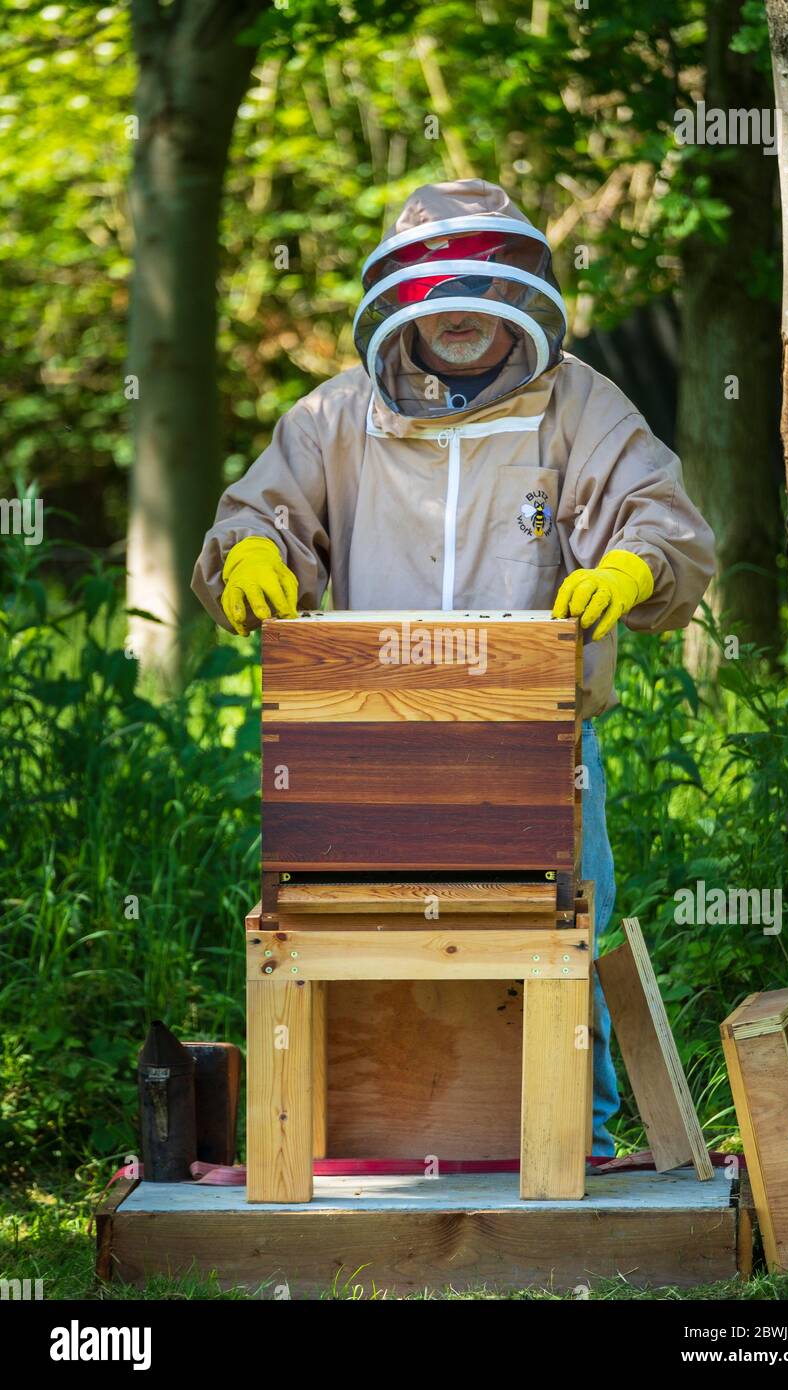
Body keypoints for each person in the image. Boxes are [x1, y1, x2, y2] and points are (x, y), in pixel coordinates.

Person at [192, 179, 715, 1156]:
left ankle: (570, 1138)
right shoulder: (336, 416)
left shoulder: (578, 406)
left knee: (555, 934)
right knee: (370, 934)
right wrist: (254, 551)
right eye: (444, 292)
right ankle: (378, 1135)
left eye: (482, 292)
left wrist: (630, 563)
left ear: (518, 292)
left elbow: (663, 519)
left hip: (537, 738)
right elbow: (260, 512)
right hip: (372, 740)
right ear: (402, 297)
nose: (464, 315)